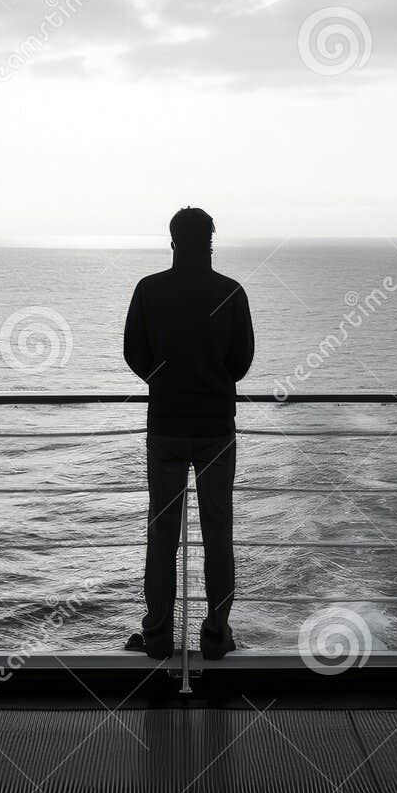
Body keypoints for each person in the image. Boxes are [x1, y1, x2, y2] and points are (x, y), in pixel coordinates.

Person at [122, 207, 255, 661]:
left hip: (166, 427)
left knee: (162, 535)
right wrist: (212, 379)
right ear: (211, 242)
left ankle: (158, 636)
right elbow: (241, 362)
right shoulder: (230, 292)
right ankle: (217, 635)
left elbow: (132, 352)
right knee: (219, 534)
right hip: (216, 428)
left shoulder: (150, 289)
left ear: (173, 240)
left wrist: (163, 380)